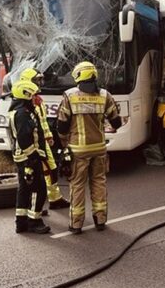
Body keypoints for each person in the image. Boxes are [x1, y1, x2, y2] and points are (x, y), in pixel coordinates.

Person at [56, 61, 122, 234]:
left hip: (78, 149)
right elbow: (116, 122)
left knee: (77, 185)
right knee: (99, 182)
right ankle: (100, 220)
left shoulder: (70, 96)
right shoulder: (105, 95)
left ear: (78, 76)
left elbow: (62, 126)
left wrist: (64, 142)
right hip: (99, 148)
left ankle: (76, 224)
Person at [18, 68, 70, 213]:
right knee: (34, 177)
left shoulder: (37, 100)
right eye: (36, 80)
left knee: (51, 170)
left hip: (43, 142)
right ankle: (33, 208)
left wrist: (49, 136)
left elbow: (43, 122)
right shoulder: (25, 103)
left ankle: (54, 199)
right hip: (34, 145)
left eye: (40, 80)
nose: (40, 83)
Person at [8, 79, 51, 234]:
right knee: (38, 189)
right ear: (25, 95)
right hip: (28, 158)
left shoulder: (20, 111)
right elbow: (24, 138)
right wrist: (33, 158)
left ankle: (21, 222)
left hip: (23, 157)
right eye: (34, 95)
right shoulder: (23, 114)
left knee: (24, 190)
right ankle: (34, 221)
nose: (37, 98)